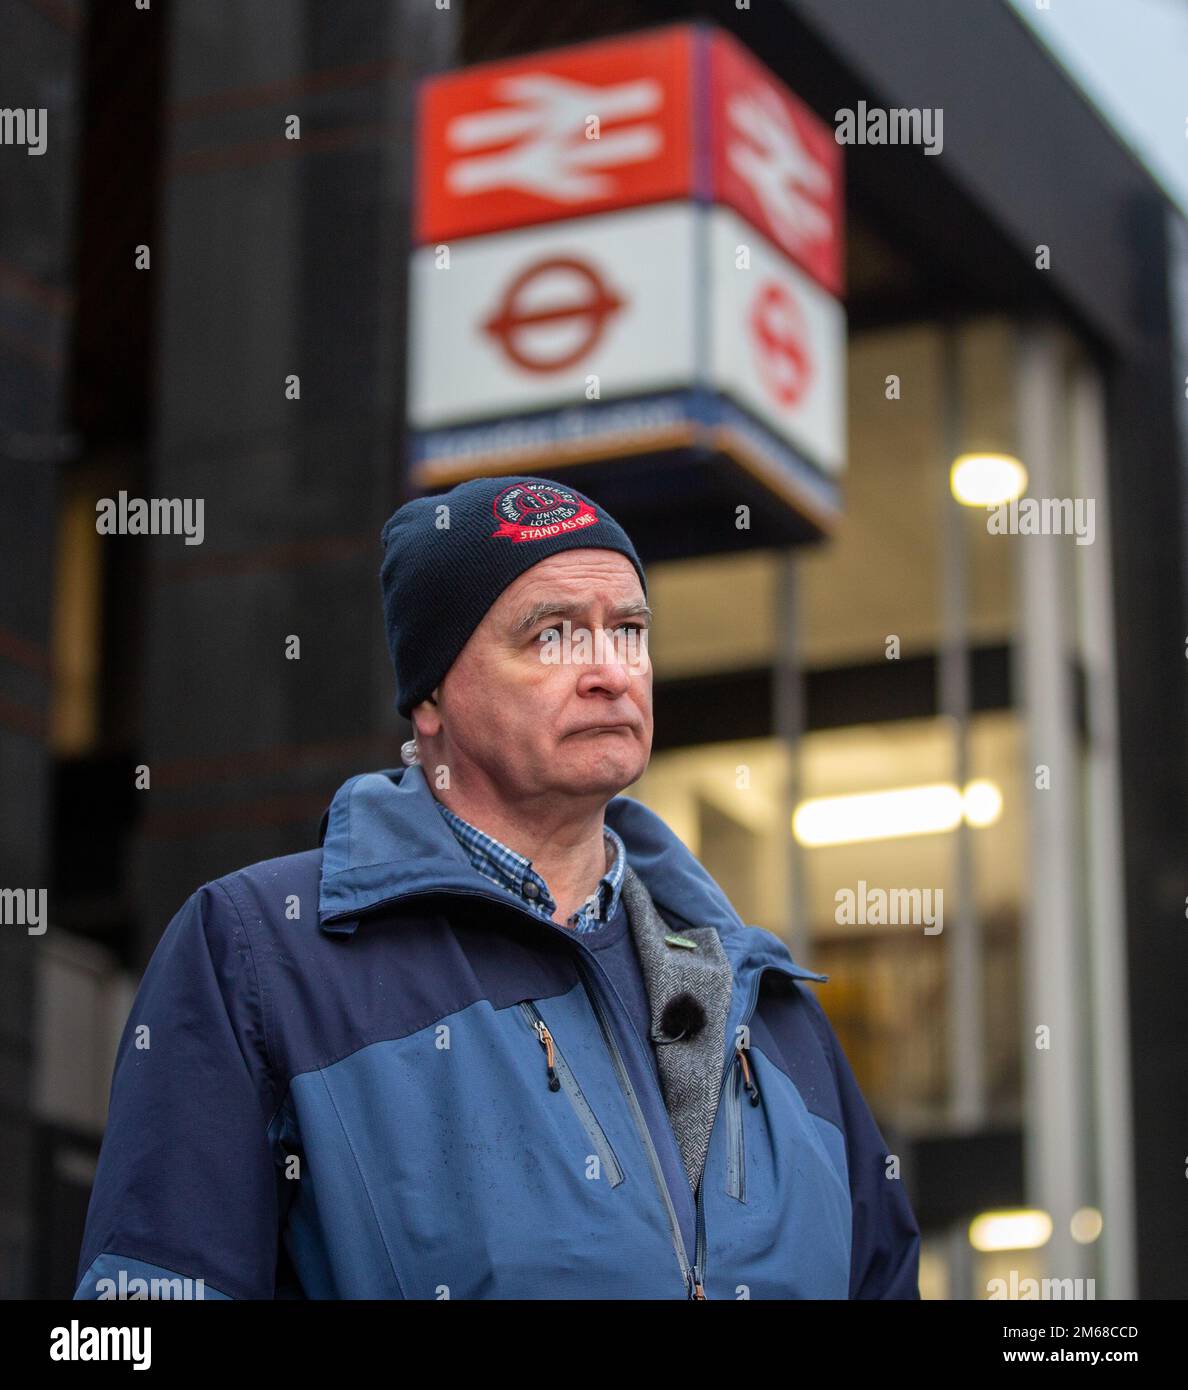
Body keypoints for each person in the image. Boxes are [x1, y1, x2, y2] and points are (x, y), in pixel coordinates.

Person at [74, 474, 920, 1300]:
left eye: (628, 631)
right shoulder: (262, 955)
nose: (609, 671)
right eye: (551, 635)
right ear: (432, 694)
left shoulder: (769, 1008)